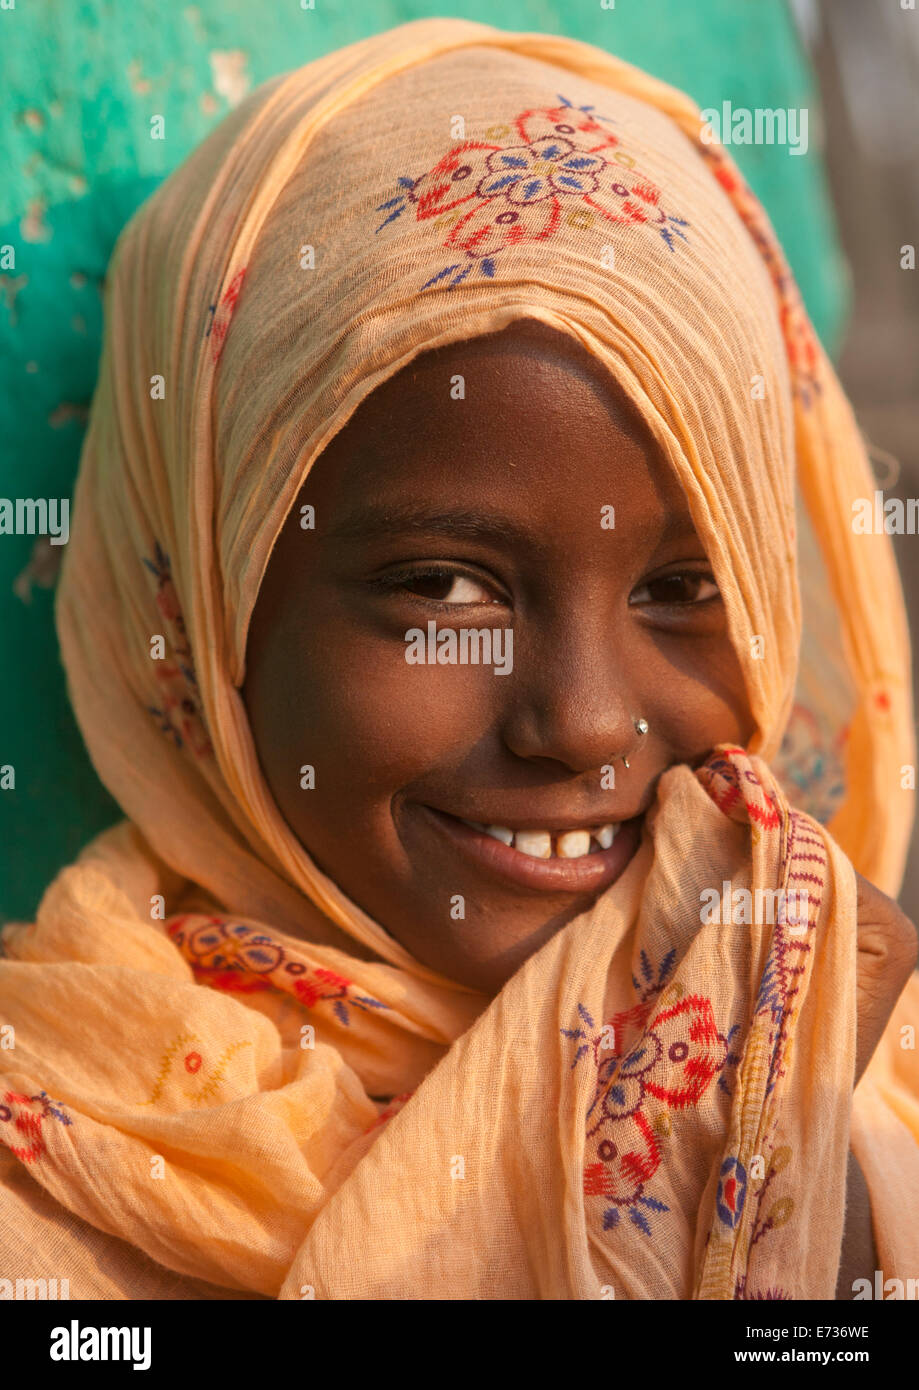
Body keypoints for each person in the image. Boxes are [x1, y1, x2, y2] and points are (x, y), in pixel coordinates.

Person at [1, 17, 917, 1300]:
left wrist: (816, 1193)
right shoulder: (60, 1182)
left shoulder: (852, 1078)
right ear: (203, 606)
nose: (587, 724)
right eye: (445, 586)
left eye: (681, 588)